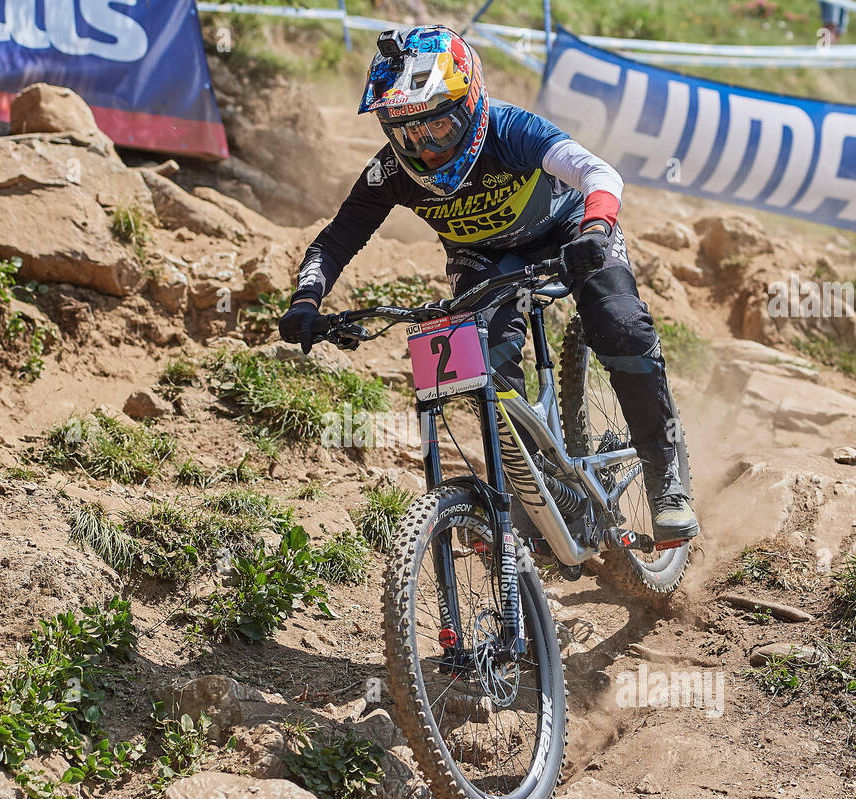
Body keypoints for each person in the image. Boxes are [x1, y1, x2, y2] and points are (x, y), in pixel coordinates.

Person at [278, 25, 700, 546]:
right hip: (483, 259)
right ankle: (537, 496)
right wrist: (306, 300)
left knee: (619, 325)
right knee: (486, 376)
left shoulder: (509, 130)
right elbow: (335, 239)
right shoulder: (390, 172)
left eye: (439, 128)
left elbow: (600, 173)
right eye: (407, 133)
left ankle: (665, 478)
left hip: (568, 232)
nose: (426, 148)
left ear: (472, 104)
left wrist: (594, 228)